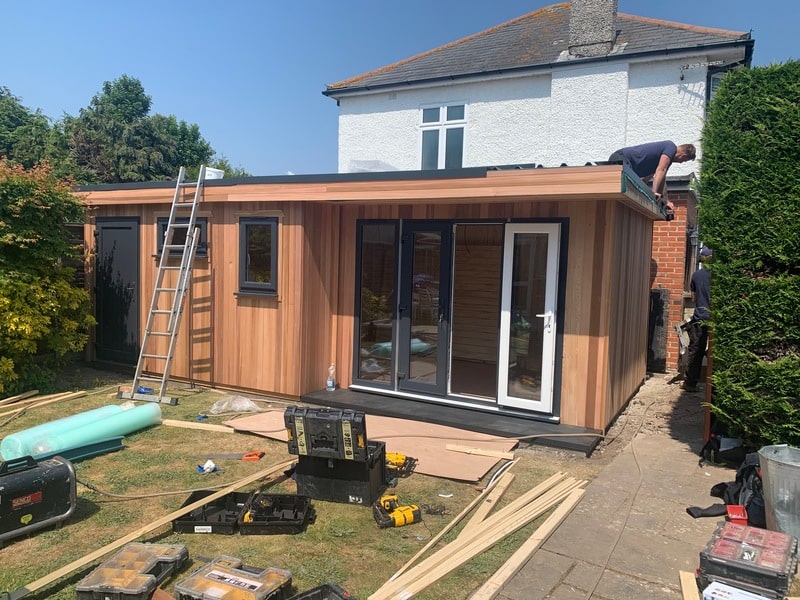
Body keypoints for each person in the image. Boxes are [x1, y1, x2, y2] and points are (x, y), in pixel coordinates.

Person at [608, 141, 696, 219]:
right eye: (683, 160)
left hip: (627, 165)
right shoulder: (670, 147)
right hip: (620, 159)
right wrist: (654, 193)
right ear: (683, 155)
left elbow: (661, 178)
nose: (681, 163)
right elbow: (661, 170)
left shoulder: (665, 160)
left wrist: (665, 201)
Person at [683, 246, 712, 392]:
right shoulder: (719, 275)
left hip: (700, 317)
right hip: (714, 318)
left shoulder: (695, 275)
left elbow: (693, 298)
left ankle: (690, 383)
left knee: (696, 350)